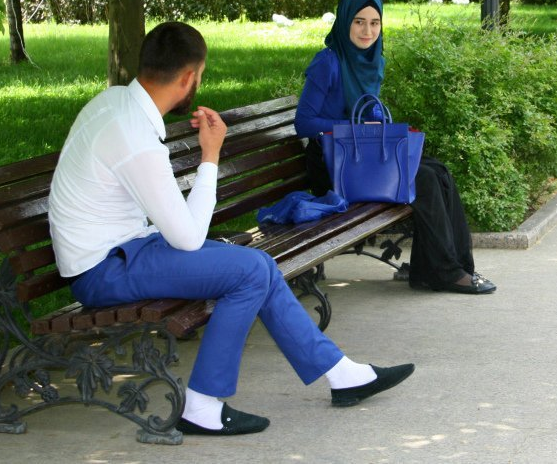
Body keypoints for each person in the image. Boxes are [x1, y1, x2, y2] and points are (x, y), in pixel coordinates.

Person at [48, 21, 414, 437]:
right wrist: (211, 156)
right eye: (199, 78)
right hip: (104, 271)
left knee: (254, 264)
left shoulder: (115, 102)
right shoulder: (133, 136)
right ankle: (203, 404)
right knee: (250, 271)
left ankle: (342, 374)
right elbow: (186, 237)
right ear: (189, 78)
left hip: (122, 251)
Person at [294, 0, 497, 296]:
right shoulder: (328, 62)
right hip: (332, 164)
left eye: (375, 23)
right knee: (424, 179)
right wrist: (353, 126)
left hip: (365, 156)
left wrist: (374, 115)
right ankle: (444, 272)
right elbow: (303, 122)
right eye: (359, 22)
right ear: (345, 22)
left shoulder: (374, 60)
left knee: (438, 172)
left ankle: (452, 267)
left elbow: (366, 104)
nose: (367, 31)